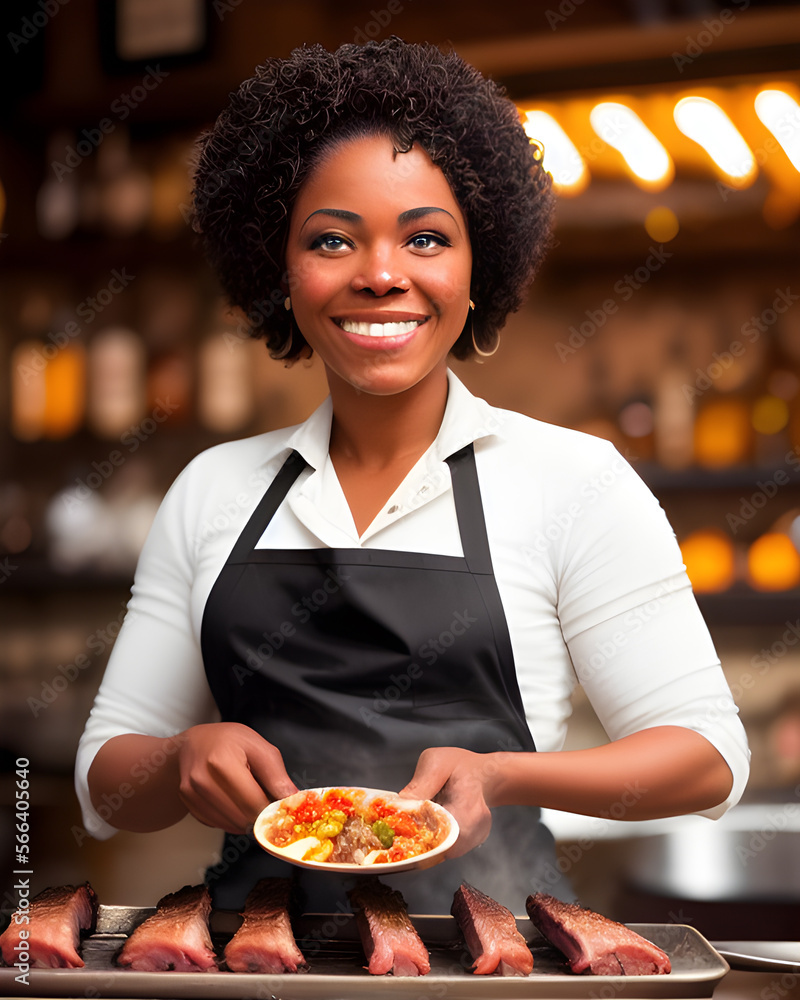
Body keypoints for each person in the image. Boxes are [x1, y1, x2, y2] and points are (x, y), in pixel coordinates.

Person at [76, 37, 749, 915]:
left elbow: (708, 757)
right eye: (332, 240)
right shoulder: (215, 488)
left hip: (495, 965)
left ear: (478, 271)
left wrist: (501, 776)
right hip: (253, 962)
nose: (383, 274)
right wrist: (178, 759)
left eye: (426, 237)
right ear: (281, 273)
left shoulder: (574, 479)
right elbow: (105, 783)